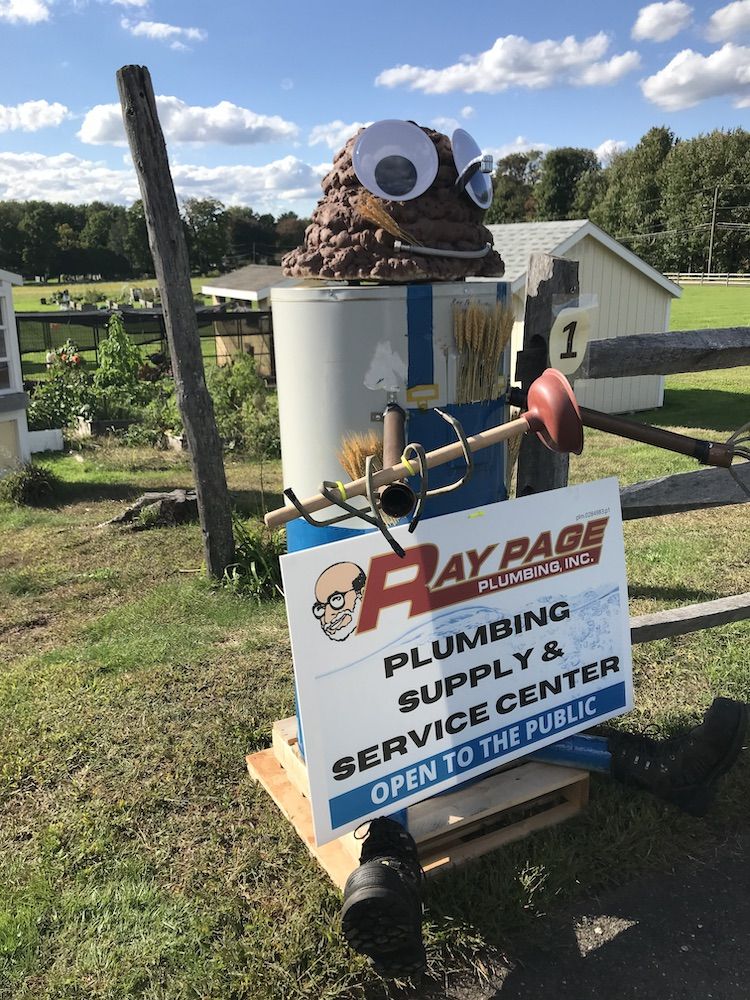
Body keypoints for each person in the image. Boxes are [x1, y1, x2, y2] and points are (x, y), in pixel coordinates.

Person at [340, 696, 748, 978]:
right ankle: (389, 861)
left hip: (468, 706)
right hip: (395, 726)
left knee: (513, 703)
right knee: (379, 714)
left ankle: (391, 872)